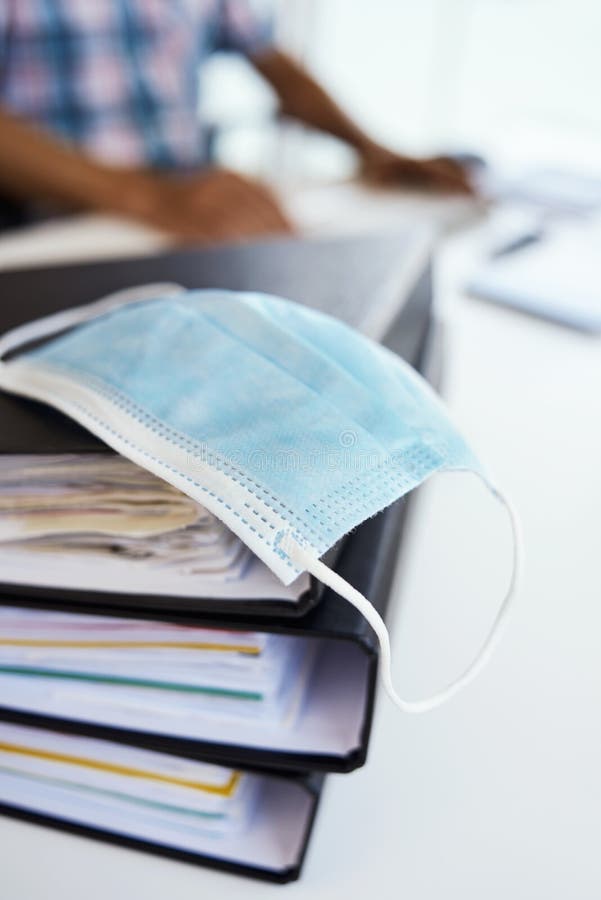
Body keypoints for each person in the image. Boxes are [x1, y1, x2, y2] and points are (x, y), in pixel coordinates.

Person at [0, 0, 472, 241]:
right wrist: (147, 195)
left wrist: (373, 151)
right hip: (47, 230)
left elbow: (275, 65)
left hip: (182, 221)